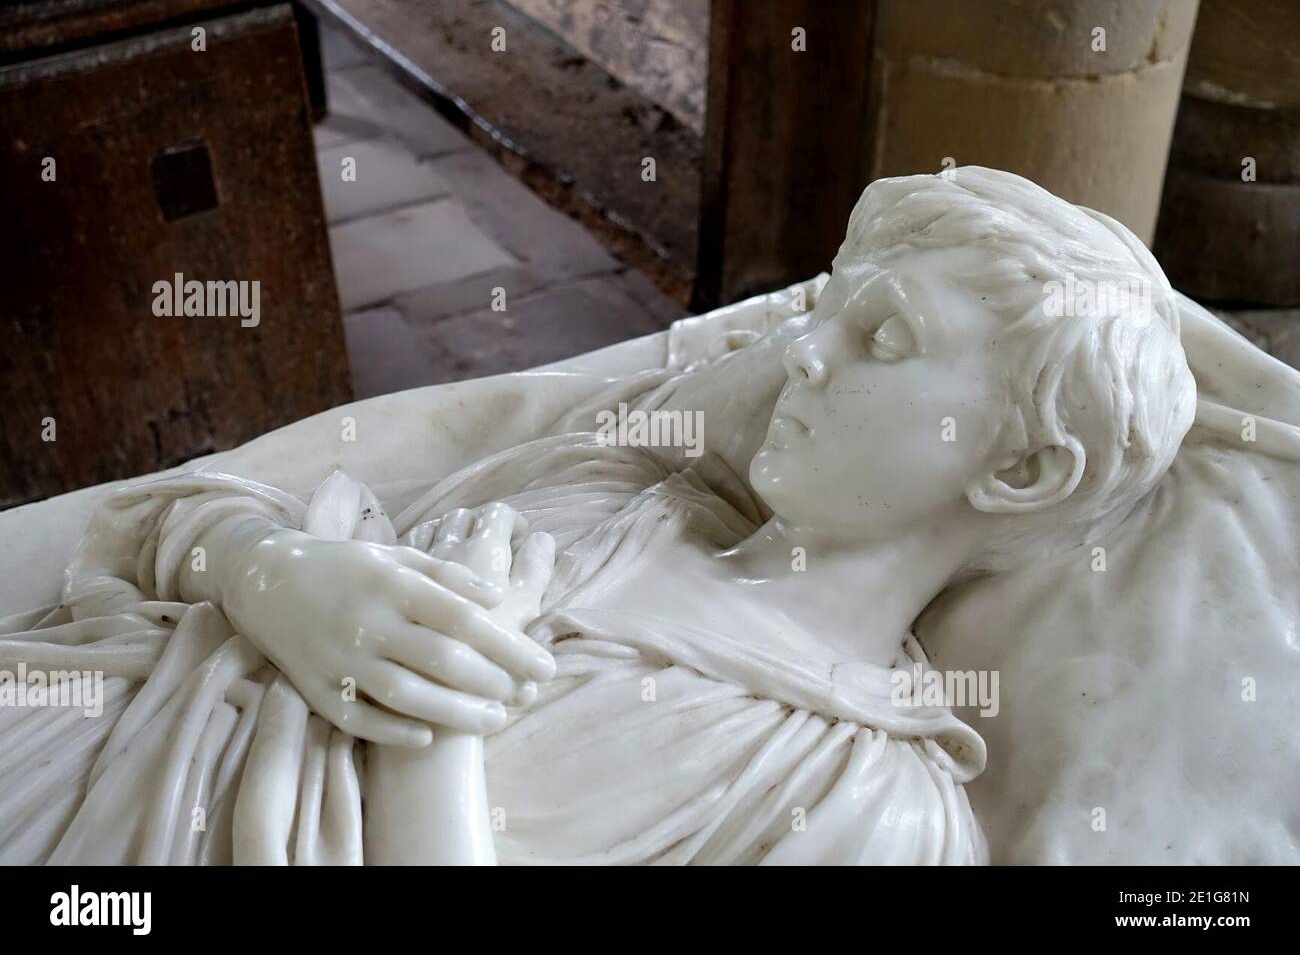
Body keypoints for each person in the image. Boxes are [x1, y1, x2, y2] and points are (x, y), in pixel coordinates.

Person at [0, 168, 1288, 864]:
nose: (806, 356)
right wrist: (276, 572)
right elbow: (163, 525)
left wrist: (424, 737)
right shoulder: (621, 491)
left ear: (1018, 473)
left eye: (881, 336)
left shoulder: (865, 809)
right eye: (819, 311)